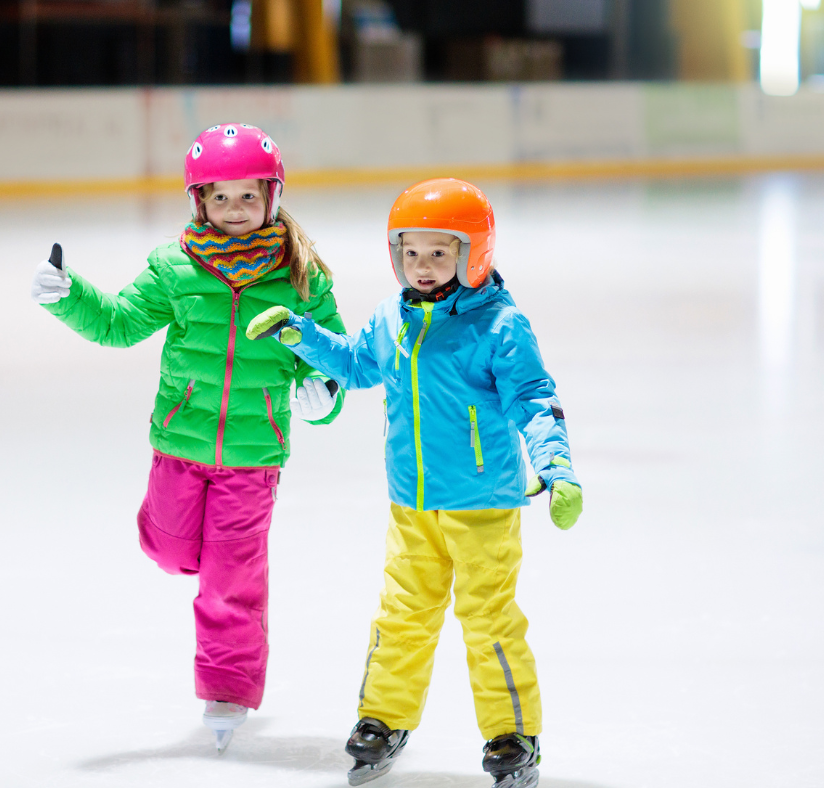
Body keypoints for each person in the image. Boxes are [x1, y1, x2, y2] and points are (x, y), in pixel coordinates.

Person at [246, 178, 582, 788]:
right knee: (403, 615)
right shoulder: (389, 319)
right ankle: (382, 719)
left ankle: (513, 734)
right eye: (410, 252)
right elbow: (353, 365)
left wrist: (555, 468)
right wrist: (302, 334)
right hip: (411, 506)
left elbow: (535, 401)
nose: (421, 267)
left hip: (483, 505)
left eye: (438, 252)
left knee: (488, 618)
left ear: (472, 253)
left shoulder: (501, 327)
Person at [30, 123, 345, 752]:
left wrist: (325, 396)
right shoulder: (175, 268)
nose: (234, 211)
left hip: (254, 459)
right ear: (198, 201)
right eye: (220, 198)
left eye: (248, 198)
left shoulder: (301, 277)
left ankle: (226, 689)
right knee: (171, 550)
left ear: (273, 199)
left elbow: (331, 357)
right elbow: (119, 323)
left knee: (232, 577)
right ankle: (176, 542)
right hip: (180, 443)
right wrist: (69, 297)